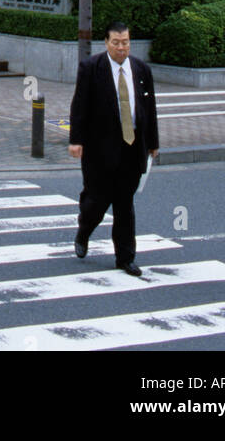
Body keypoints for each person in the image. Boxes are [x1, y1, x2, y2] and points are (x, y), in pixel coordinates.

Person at [68, 20, 159, 276]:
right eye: (116, 43)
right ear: (106, 43)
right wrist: (76, 140)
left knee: (124, 204)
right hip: (99, 149)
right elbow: (80, 105)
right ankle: (84, 230)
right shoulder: (91, 68)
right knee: (96, 202)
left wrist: (152, 142)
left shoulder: (141, 70)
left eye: (126, 42)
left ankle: (125, 258)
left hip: (131, 147)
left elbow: (149, 109)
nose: (122, 48)